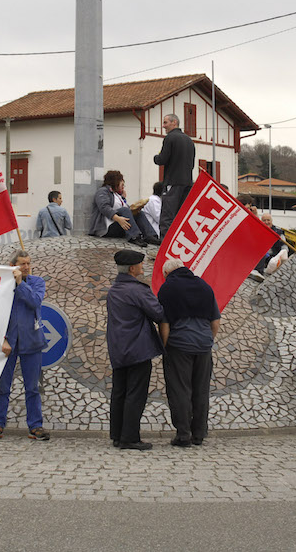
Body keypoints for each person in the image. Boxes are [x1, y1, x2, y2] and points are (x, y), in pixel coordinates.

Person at [105, 249, 165, 450]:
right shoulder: (138, 290)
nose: (143, 267)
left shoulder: (114, 290)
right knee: (135, 394)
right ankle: (130, 437)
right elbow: (158, 313)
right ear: (132, 269)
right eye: (140, 264)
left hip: (118, 348)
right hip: (138, 349)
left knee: (119, 392)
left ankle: (117, 434)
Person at [157, 259, 221, 447]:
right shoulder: (204, 286)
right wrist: (208, 341)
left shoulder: (167, 289)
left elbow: (165, 324)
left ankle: (183, 435)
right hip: (203, 346)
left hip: (179, 345)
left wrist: (165, 347)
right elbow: (215, 322)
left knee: (180, 390)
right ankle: (199, 434)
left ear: (168, 273)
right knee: (201, 390)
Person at [0, 251, 50, 441]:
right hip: (9, 342)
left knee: (32, 388)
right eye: (22, 264)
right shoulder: (2, 285)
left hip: (31, 342)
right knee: (3, 387)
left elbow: (35, 302)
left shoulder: (36, 282)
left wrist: (21, 284)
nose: (26, 267)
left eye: (29, 263)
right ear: (12, 264)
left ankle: (35, 426)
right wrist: (2, 338)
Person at [154, 113, 195, 240]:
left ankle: (164, 247)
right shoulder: (189, 140)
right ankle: (177, 246)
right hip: (187, 183)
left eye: (165, 122)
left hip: (172, 181)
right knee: (180, 217)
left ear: (174, 123)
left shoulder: (170, 138)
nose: (163, 126)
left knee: (167, 216)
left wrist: (156, 157)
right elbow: (192, 164)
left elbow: (162, 159)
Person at [89, 170, 148, 247]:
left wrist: (126, 201)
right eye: (122, 184)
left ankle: (150, 236)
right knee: (125, 210)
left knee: (139, 213)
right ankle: (134, 236)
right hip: (106, 227)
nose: (123, 187)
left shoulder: (117, 195)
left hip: (120, 224)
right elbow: (104, 207)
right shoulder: (103, 191)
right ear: (115, 182)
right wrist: (118, 219)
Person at [250, 213, 288, 281]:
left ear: (271, 221)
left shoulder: (278, 232)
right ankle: (257, 271)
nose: (266, 222)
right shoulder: (258, 230)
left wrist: (283, 253)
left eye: (268, 220)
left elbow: (284, 245)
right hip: (261, 257)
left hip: (274, 258)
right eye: (264, 220)